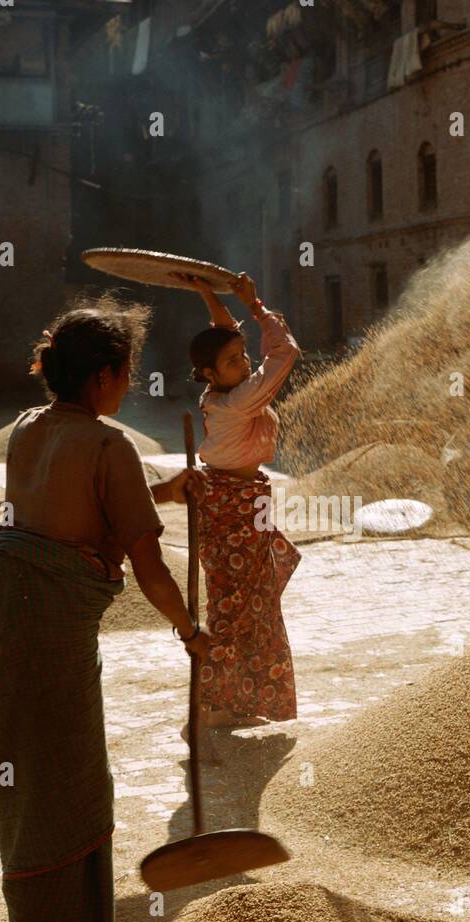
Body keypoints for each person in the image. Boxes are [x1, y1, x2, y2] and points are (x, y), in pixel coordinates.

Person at [0, 299, 211, 922]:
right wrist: (189, 629)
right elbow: (149, 564)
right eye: (127, 373)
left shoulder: (31, 428)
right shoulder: (110, 445)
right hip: (45, 640)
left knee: (28, 790)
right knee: (68, 797)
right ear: (102, 378)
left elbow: (71, 511)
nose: (129, 385)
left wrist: (166, 490)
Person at [179, 272, 301, 737]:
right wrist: (256, 306)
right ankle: (207, 706)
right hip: (233, 505)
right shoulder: (238, 403)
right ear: (210, 374)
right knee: (234, 608)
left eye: (244, 356)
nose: (245, 361)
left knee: (256, 602)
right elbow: (285, 353)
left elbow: (226, 339)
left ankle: (231, 701)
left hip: (245, 501)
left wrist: (209, 295)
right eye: (233, 361)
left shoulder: (226, 391)